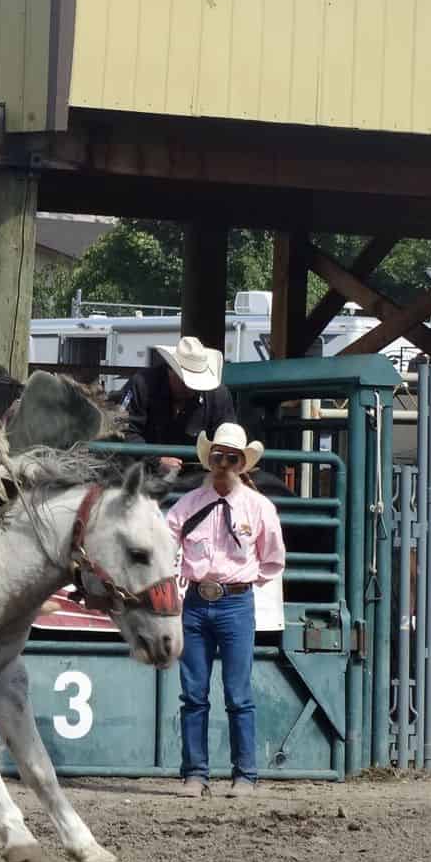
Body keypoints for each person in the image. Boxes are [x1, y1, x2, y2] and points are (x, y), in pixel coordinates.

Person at [166, 423, 285, 799]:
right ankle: (196, 774)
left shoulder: (259, 507)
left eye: (230, 458)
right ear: (209, 459)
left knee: (238, 692)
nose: (222, 464)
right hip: (197, 602)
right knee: (194, 692)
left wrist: (243, 583)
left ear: (242, 464)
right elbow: (166, 542)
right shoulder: (188, 505)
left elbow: (273, 559)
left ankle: (244, 774)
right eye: (217, 456)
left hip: (234, 601)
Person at [117, 335, 236, 475]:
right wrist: (155, 461)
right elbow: (122, 430)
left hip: (200, 476)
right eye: (186, 382)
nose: (192, 389)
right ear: (170, 371)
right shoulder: (142, 384)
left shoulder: (218, 395)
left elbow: (228, 437)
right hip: (144, 476)